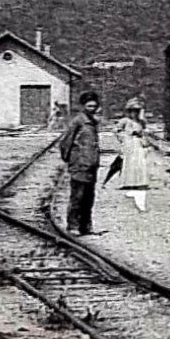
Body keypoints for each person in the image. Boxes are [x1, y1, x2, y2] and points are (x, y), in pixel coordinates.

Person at [59, 91, 103, 234]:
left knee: (89, 198)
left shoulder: (93, 122)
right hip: (79, 165)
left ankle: (85, 225)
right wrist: (70, 160)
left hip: (91, 166)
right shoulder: (78, 121)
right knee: (77, 196)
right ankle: (73, 225)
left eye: (94, 106)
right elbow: (66, 141)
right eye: (89, 106)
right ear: (83, 106)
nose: (92, 108)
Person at [106, 97, 151, 212]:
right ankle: (129, 182)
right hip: (129, 143)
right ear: (128, 111)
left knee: (139, 162)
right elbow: (116, 130)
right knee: (129, 162)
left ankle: (138, 182)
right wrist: (123, 137)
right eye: (132, 111)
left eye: (136, 111)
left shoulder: (141, 122)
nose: (134, 113)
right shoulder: (124, 121)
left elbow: (145, 132)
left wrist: (142, 134)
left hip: (138, 143)